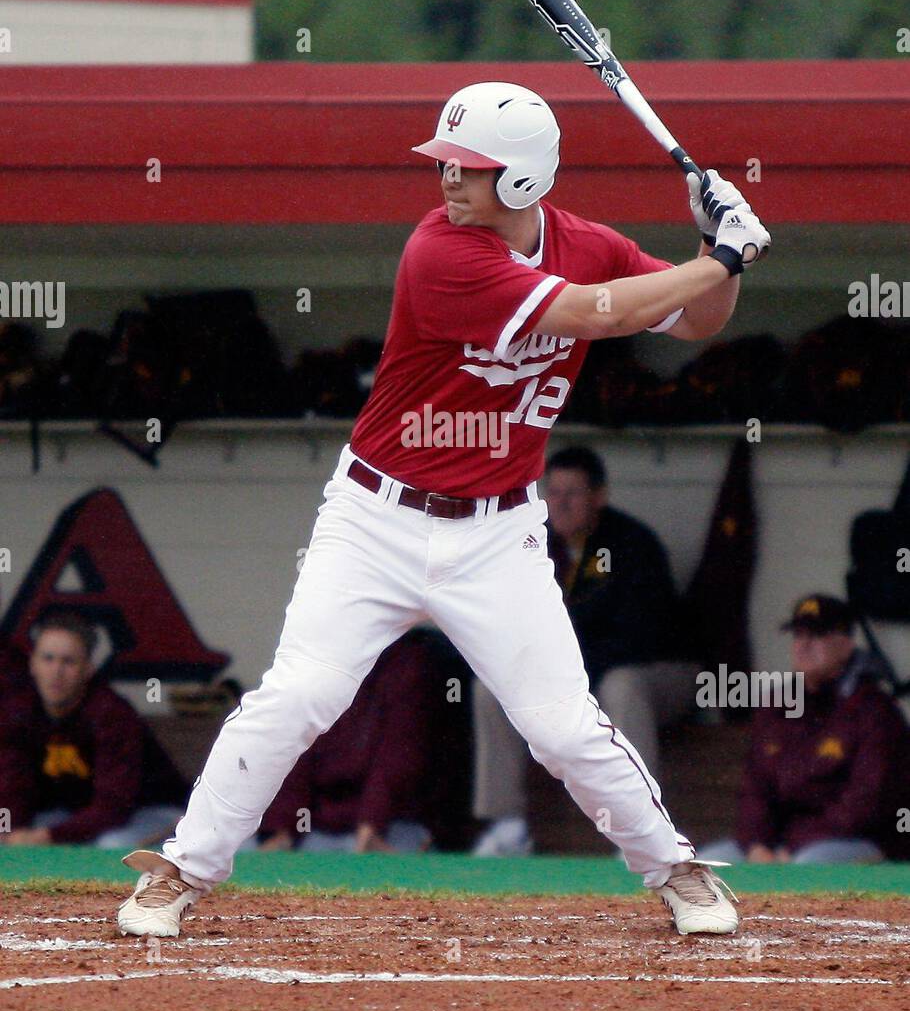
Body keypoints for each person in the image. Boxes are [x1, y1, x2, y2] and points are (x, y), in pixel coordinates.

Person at [117, 80, 769, 940]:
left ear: (527, 182)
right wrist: (723, 256)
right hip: (374, 520)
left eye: (470, 168)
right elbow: (596, 312)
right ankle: (182, 871)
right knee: (300, 693)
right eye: (447, 163)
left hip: (498, 533)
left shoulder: (589, 242)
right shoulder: (438, 253)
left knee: (564, 728)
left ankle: (679, 871)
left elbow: (694, 322)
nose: (448, 180)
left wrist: (714, 249)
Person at [472, 445, 698, 856]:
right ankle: (507, 827)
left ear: (599, 496)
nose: (559, 503)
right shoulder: (532, 545)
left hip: (658, 673)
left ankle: (639, 830)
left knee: (622, 686)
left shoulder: (632, 544)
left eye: (572, 493)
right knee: (490, 688)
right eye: (552, 492)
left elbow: (640, 638)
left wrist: (564, 672)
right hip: (577, 677)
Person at [705, 595, 910, 864]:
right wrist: (756, 845)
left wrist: (791, 847)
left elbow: (866, 803)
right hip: (778, 846)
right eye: (798, 635)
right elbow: (754, 792)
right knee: (704, 865)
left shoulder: (875, 710)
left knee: (806, 866)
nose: (803, 645)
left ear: (846, 645)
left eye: (817, 635)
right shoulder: (776, 706)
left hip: (857, 842)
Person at [0, 609, 188, 849]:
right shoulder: (19, 712)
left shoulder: (111, 714)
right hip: (76, 816)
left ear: (87, 669)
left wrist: (46, 836)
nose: (56, 671)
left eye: (68, 661)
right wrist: (13, 832)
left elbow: (113, 807)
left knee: (111, 845)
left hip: (153, 812)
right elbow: (13, 788)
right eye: (48, 658)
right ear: (33, 664)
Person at [256, 629, 439, 853]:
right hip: (316, 828)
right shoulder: (317, 666)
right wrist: (281, 829)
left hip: (390, 825)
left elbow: (395, 760)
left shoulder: (408, 664)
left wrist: (370, 826)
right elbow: (296, 753)